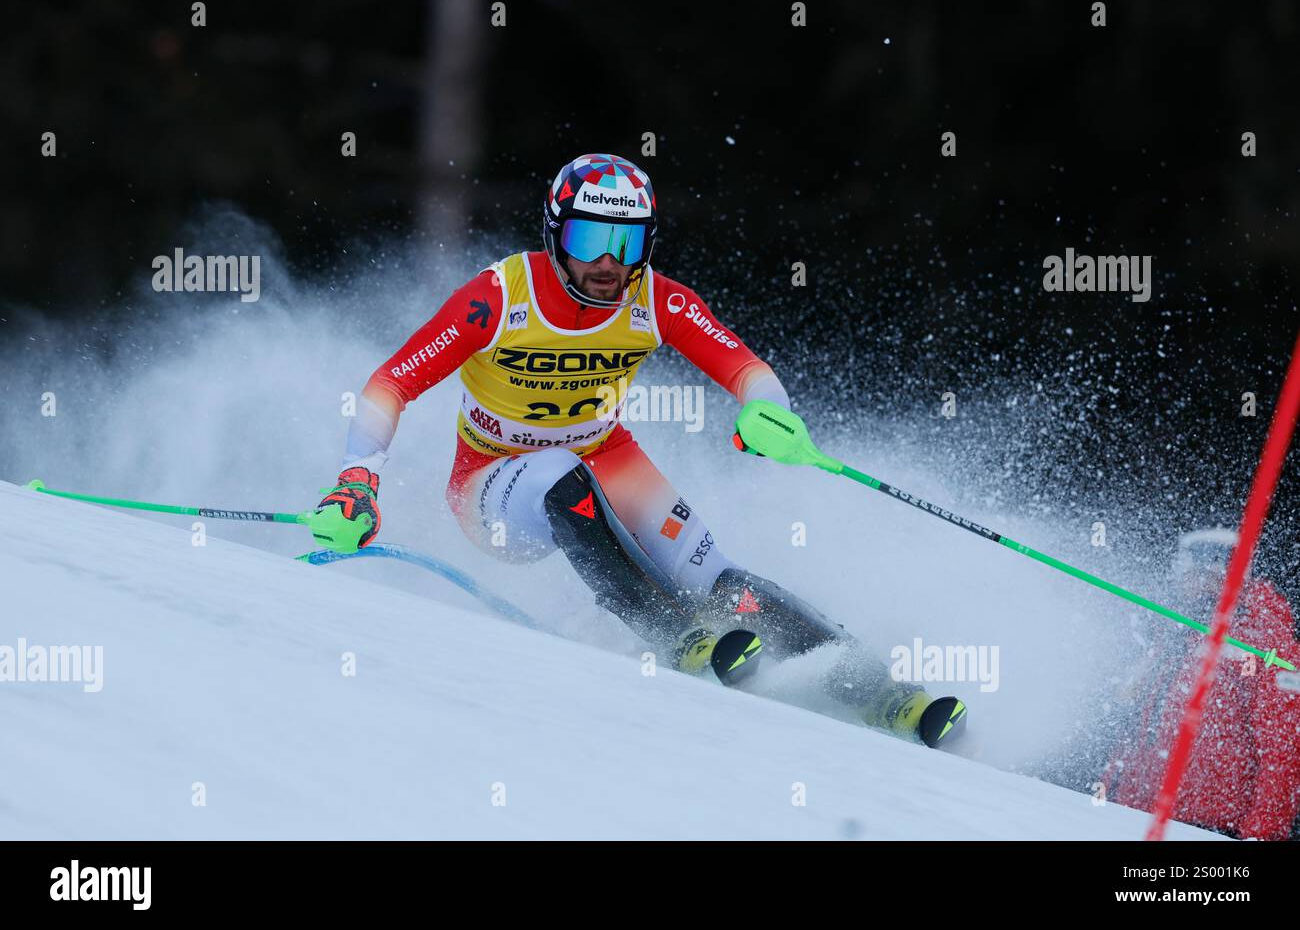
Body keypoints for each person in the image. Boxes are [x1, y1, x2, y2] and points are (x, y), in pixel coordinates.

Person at [315, 152, 967, 748]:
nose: (607, 263)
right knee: (562, 474)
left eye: (625, 244)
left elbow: (746, 368)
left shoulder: (655, 298)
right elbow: (390, 384)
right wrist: (355, 484)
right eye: (588, 240)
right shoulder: (500, 296)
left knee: (715, 576)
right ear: (555, 235)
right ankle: (675, 633)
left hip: (602, 456)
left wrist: (769, 413)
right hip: (492, 487)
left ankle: (880, 689)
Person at [1100, 528, 1300, 839]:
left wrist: (1262, 835)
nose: (1181, 580)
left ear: (1216, 572)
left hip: (1208, 828)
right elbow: (1141, 729)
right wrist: (1110, 794)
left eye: (1189, 570)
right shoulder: (1178, 631)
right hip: (1138, 815)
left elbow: (1283, 751)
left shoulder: (1265, 640)